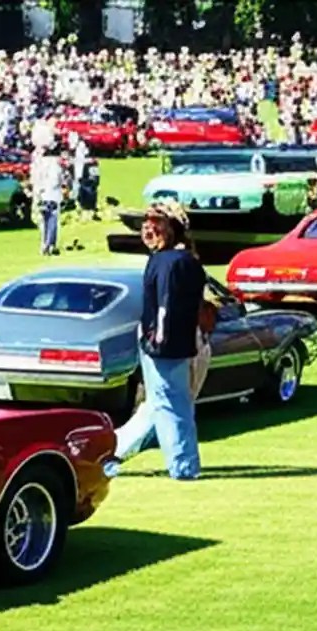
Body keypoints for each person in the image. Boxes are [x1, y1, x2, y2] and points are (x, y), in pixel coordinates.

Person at [132, 199, 207, 480]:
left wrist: (158, 340)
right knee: (160, 404)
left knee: (171, 404)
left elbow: (167, 304)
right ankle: (113, 455)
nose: (148, 229)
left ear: (172, 228)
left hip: (165, 344)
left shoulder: (171, 262)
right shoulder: (181, 259)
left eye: (157, 224)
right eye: (146, 223)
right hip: (174, 340)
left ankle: (184, 466)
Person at [31, 146, 64, 256]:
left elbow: (35, 179)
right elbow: (56, 181)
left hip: (41, 195)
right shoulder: (55, 165)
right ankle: (49, 244)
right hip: (52, 195)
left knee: (44, 222)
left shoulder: (39, 164)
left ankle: (44, 243)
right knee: (52, 221)